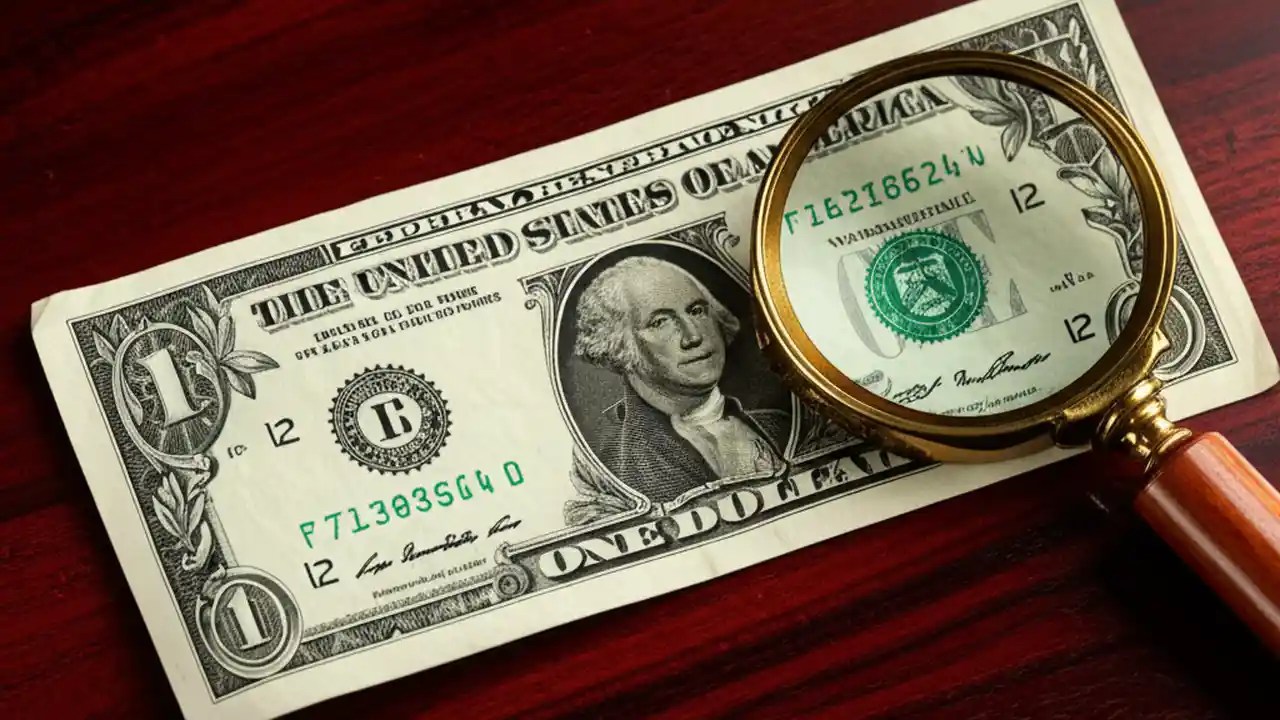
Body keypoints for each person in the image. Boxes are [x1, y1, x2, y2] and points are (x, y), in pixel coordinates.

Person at [572, 255, 789, 504]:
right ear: (618, 344)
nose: (693, 336)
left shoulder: (778, 426)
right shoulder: (611, 467)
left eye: (697, 311)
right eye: (660, 322)